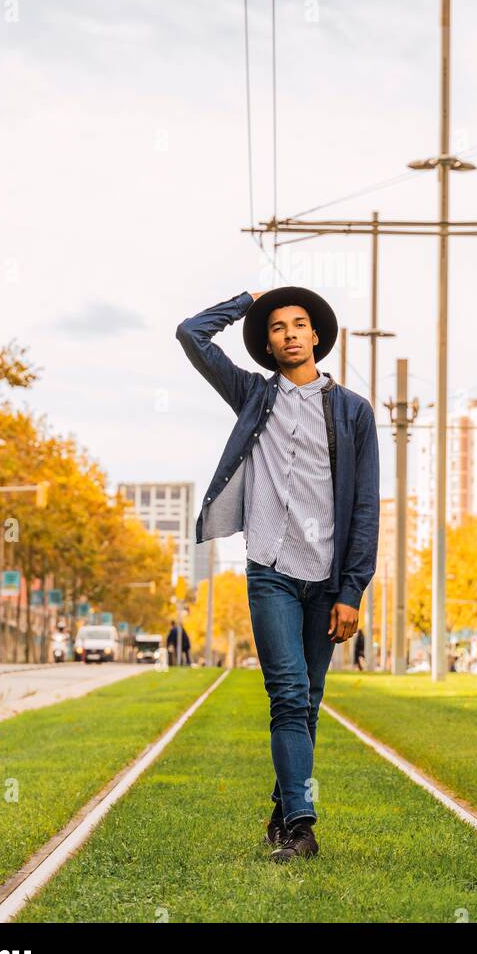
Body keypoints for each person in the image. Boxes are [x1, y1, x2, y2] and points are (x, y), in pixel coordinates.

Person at [177, 286, 379, 863]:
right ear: (266, 343)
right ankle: (302, 826)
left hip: (327, 576)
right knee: (288, 695)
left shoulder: (352, 410)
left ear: (317, 336)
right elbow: (190, 333)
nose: (289, 333)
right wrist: (246, 300)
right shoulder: (250, 395)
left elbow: (366, 505)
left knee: (308, 702)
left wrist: (353, 589)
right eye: (277, 327)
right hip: (270, 566)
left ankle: (285, 804)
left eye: (299, 324)